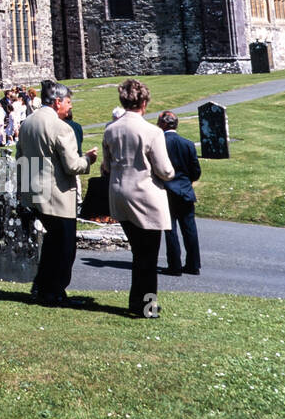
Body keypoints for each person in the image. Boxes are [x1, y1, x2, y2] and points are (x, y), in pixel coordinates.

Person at [16, 82, 96, 307]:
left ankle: (42, 286)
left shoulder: (27, 123)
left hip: (35, 191)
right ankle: (55, 292)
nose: (70, 107)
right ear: (58, 101)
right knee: (64, 248)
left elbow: (20, 159)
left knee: (51, 244)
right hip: (58, 195)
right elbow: (72, 166)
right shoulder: (62, 127)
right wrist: (88, 159)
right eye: (68, 102)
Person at [103, 80, 176, 319]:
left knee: (139, 252)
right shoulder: (152, 132)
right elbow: (165, 170)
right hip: (144, 197)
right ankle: (145, 305)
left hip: (119, 194)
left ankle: (138, 300)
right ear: (144, 103)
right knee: (148, 255)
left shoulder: (110, 130)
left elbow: (106, 166)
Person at [157, 111, 201, 276]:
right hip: (185, 189)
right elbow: (195, 171)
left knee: (170, 228)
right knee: (189, 228)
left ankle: (174, 265)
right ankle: (193, 264)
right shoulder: (188, 144)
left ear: (163, 124)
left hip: (166, 190)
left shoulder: (160, 143)